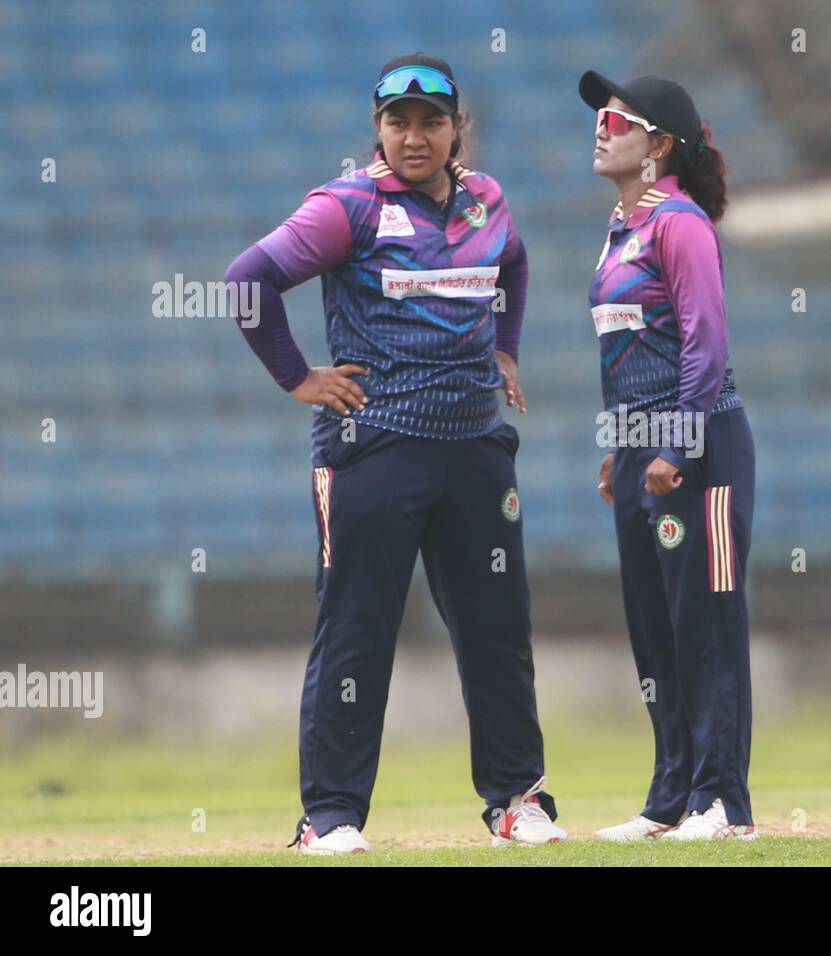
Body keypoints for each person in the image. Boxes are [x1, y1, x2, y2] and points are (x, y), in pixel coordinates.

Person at [224, 53, 564, 852]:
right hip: (374, 450)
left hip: (477, 448)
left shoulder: (486, 201)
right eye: (398, 121)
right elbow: (247, 281)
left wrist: (506, 350)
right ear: (377, 129)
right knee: (357, 631)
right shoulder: (350, 207)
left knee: (498, 628)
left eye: (431, 121)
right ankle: (330, 818)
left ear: (457, 129)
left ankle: (517, 802)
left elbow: (511, 263)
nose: (415, 136)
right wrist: (298, 378)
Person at [579, 71, 758, 841]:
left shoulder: (679, 222)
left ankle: (724, 804)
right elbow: (622, 353)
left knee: (704, 625)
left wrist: (678, 443)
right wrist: (620, 446)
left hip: (699, 448)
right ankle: (672, 797)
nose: (601, 126)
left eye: (616, 118)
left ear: (657, 146)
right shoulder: (622, 230)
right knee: (654, 629)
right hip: (639, 453)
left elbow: (705, 340)